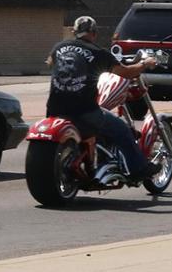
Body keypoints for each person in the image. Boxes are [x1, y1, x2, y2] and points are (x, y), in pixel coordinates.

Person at [46, 16, 160, 181]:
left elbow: (50, 62)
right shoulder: (98, 53)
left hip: (54, 110)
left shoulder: (58, 47)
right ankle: (139, 170)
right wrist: (145, 64)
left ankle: (98, 158)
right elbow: (126, 72)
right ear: (94, 33)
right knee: (121, 129)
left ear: (74, 32)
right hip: (83, 112)